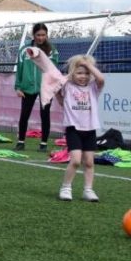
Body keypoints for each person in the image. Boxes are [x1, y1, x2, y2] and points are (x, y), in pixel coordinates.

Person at [57, 54, 105, 202]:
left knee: (89, 162)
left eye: (86, 73)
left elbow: (101, 79)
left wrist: (88, 65)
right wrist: (72, 71)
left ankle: (88, 190)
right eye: (79, 73)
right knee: (76, 160)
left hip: (90, 129)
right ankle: (66, 188)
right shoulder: (68, 86)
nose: (83, 76)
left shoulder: (93, 87)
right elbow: (56, 86)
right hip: (73, 129)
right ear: (72, 72)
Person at [15, 23, 59, 152]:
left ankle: (43, 144)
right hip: (28, 87)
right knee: (24, 115)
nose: (41, 37)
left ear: (47, 35)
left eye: (43, 35)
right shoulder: (24, 50)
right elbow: (20, 69)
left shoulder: (52, 51)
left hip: (46, 87)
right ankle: (21, 142)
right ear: (33, 35)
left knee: (45, 115)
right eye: (38, 35)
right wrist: (18, 87)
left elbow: (53, 70)